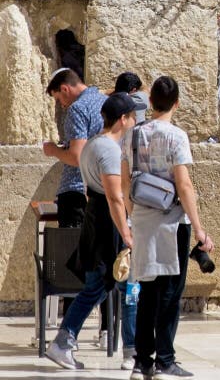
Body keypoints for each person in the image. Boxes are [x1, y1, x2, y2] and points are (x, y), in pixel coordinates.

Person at [121, 76, 214, 380]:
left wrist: (133, 215)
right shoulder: (177, 136)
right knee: (171, 293)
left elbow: (125, 181)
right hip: (173, 222)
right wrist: (199, 229)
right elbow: (184, 184)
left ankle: (142, 361)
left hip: (144, 221)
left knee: (148, 290)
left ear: (151, 103)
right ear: (177, 103)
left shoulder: (131, 136)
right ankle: (165, 360)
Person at [45, 93, 145, 371]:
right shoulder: (110, 150)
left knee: (106, 286)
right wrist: (126, 233)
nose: (136, 121)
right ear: (123, 120)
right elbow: (115, 196)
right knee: (121, 286)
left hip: (96, 220)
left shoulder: (91, 146)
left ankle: (126, 348)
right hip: (109, 224)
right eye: (133, 116)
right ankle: (128, 350)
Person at [44, 68, 107, 228]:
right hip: (104, 187)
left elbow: (76, 157)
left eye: (59, 99)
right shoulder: (104, 101)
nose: (62, 105)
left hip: (77, 191)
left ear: (65, 89)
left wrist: (53, 150)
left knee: (71, 249)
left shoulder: (77, 109)